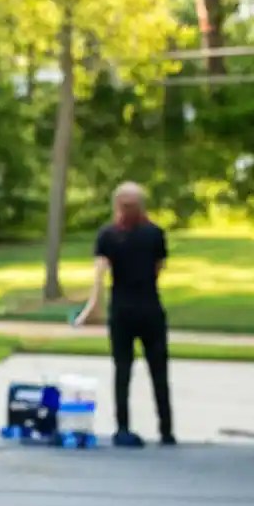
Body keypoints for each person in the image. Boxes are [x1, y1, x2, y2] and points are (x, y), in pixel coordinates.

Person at [74, 182, 174, 447]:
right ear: (143, 206)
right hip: (150, 307)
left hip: (121, 310)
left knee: (122, 370)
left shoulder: (107, 235)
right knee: (159, 370)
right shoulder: (155, 234)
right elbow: (158, 268)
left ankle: (122, 427)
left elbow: (100, 273)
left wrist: (90, 308)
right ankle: (166, 430)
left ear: (116, 205)